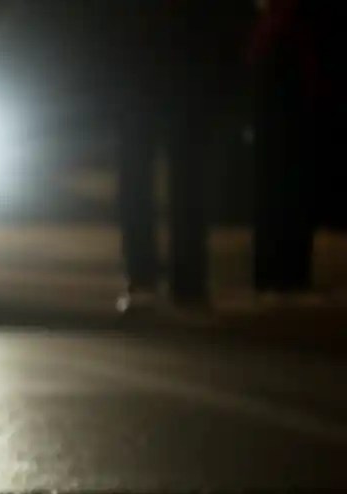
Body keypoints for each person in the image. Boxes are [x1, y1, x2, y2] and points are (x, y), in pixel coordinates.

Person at [112, 1, 252, 312]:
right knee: (156, 176)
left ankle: (175, 279)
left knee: (178, 177)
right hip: (151, 63)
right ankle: (158, 277)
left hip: (178, 62)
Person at [251, 0, 345, 301]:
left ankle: (282, 271)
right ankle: (280, 271)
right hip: (286, 90)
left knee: (286, 185)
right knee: (283, 185)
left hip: (291, 90)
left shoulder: (289, 23)